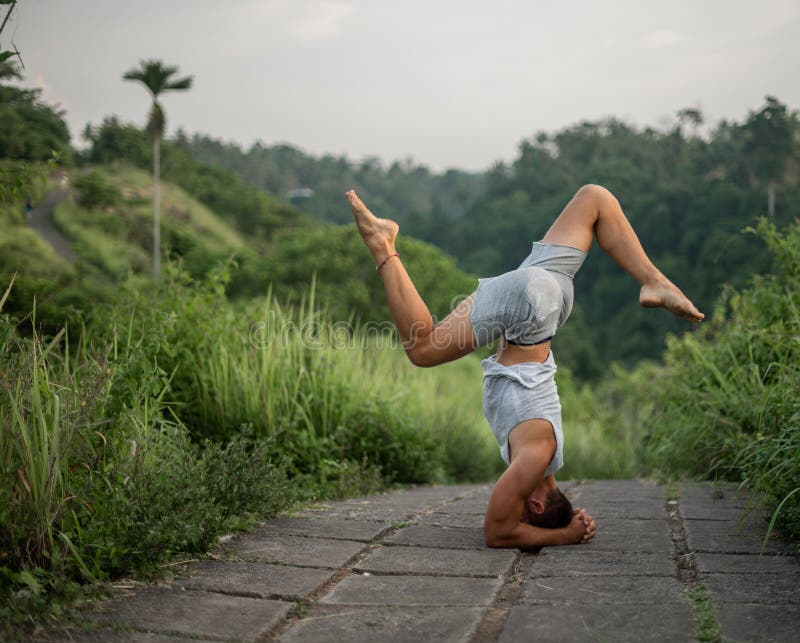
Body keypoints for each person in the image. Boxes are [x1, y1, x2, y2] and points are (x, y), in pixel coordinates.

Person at [346, 184, 704, 549]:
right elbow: (497, 532)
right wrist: (565, 534)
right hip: (532, 308)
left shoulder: (547, 456)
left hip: (550, 298)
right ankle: (382, 244)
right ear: (534, 505)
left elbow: (524, 515)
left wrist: (569, 518)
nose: (511, 510)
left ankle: (654, 281)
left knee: (594, 199)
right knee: (423, 348)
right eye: (521, 512)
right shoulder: (534, 460)